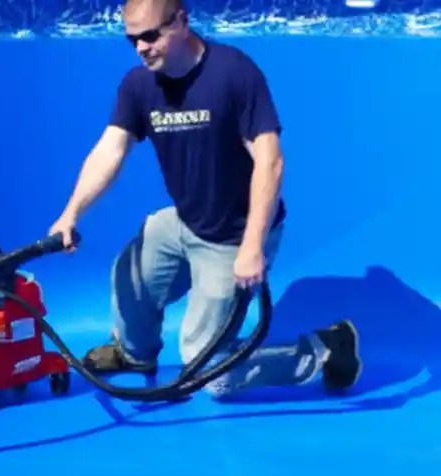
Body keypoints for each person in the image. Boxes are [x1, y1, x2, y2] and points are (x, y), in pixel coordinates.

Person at [47, 0, 361, 399]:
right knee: (129, 275)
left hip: (234, 236)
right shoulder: (139, 85)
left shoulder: (233, 73)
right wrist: (70, 214)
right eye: (132, 40)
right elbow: (110, 149)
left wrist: (252, 245)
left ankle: (327, 349)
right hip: (185, 220)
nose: (141, 47)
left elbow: (270, 161)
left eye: (150, 36)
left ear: (181, 21)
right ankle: (135, 354)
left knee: (214, 375)